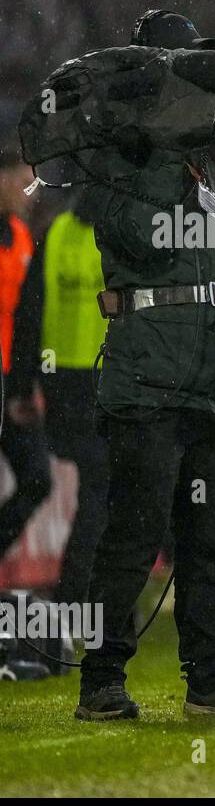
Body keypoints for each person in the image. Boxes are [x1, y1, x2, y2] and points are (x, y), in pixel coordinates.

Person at [74, 11, 215, 721]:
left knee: (210, 542)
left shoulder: (213, 163)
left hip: (213, 376)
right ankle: (103, 680)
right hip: (146, 375)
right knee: (134, 539)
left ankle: (212, 675)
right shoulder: (120, 154)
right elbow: (142, 236)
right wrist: (176, 156)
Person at [10, 193, 110, 609]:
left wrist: (22, 383)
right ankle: (76, 596)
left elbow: (29, 313)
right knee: (102, 490)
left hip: (75, 384)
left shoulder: (58, 235)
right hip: (90, 387)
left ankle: (83, 593)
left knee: (101, 491)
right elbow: (30, 314)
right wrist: (20, 383)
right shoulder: (117, 234)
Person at [0, 142, 52, 566]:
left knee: (37, 479)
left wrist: (25, 381)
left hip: (9, 380)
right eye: (23, 180)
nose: (30, 190)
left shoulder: (20, 237)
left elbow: (29, 318)